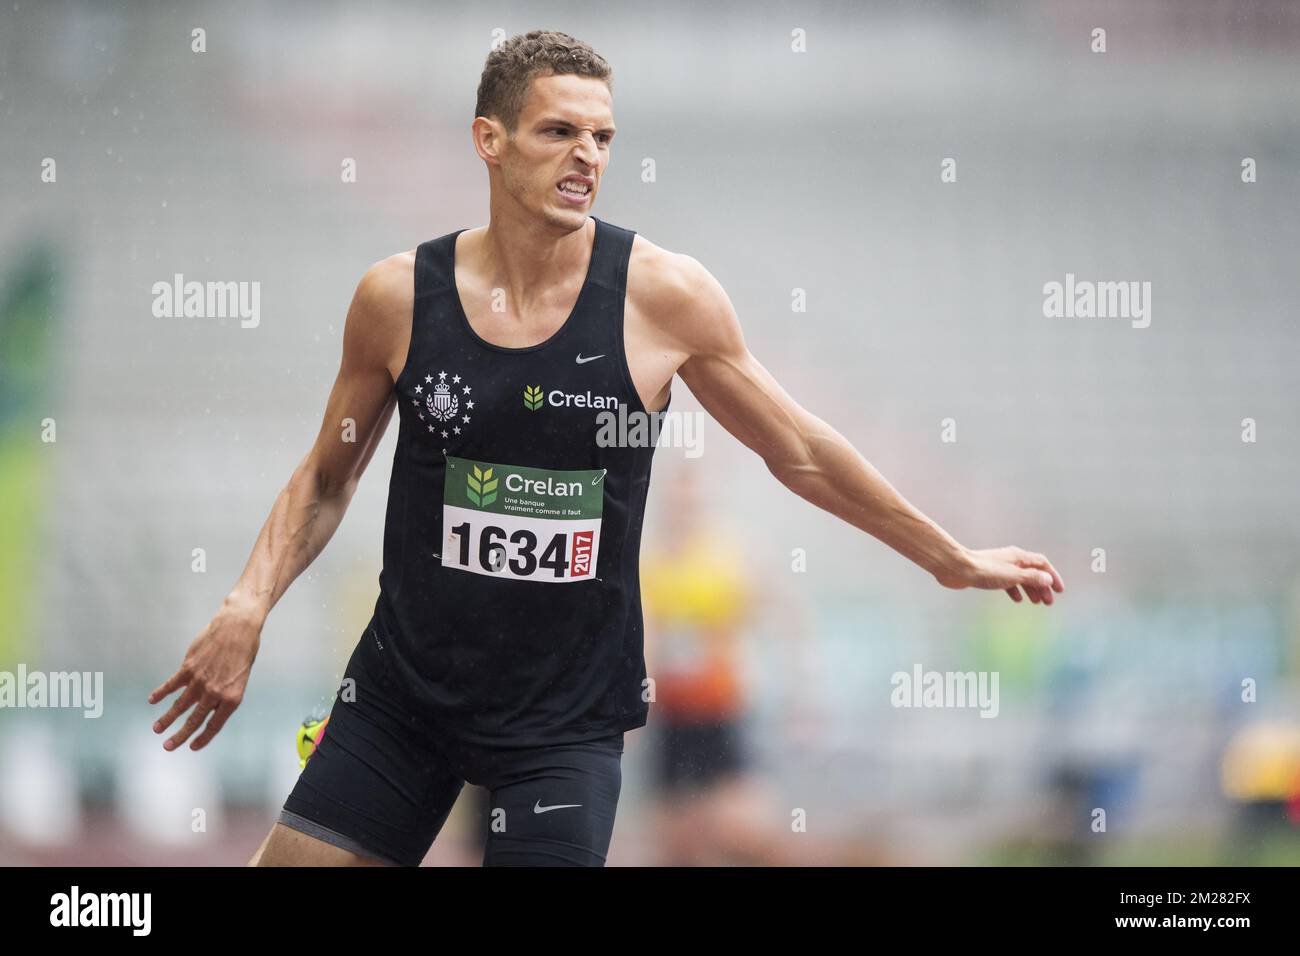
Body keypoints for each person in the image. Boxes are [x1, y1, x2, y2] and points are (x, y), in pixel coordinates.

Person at [148, 30, 1064, 867]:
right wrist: (247, 603)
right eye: (558, 132)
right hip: (401, 700)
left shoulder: (664, 298)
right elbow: (325, 477)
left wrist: (947, 557)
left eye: (603, 136)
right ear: (489, 140)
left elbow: (801, 450)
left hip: (563, 728)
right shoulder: (397, 298)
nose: (587, 155)